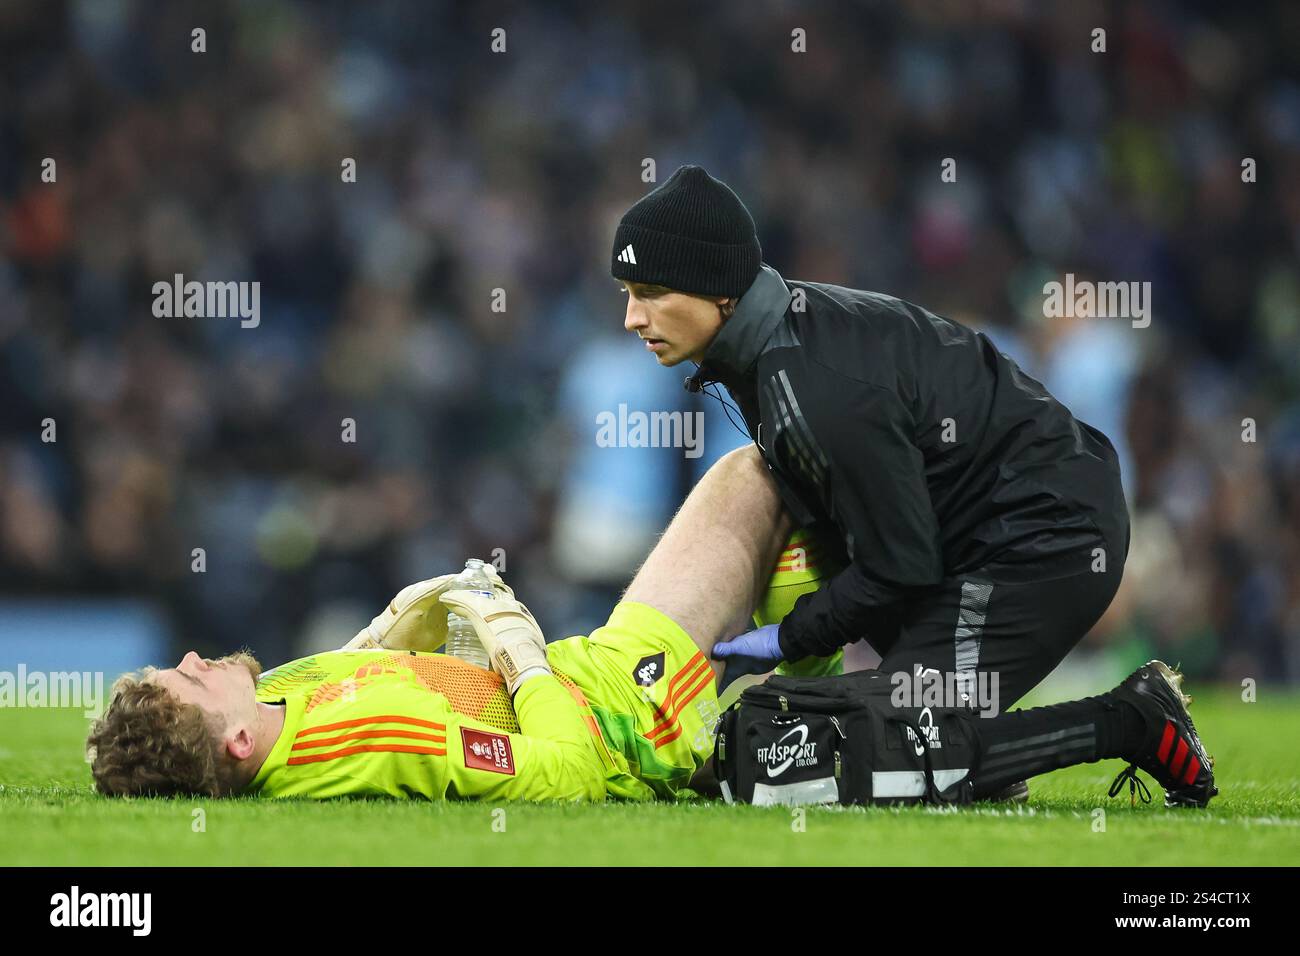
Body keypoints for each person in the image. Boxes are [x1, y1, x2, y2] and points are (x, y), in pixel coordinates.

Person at [612, 164, 1130, 716]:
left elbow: (899, 565)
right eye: (627, 293)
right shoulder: (771, 347)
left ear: (717, 291)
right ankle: (971, 757)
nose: (631, 318)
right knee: (895, 731)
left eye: (652, 292)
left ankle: (1130, 719)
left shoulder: (815, 385)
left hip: (1046, 530)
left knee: (902, 736)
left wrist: (788, 638)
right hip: (978, 534)